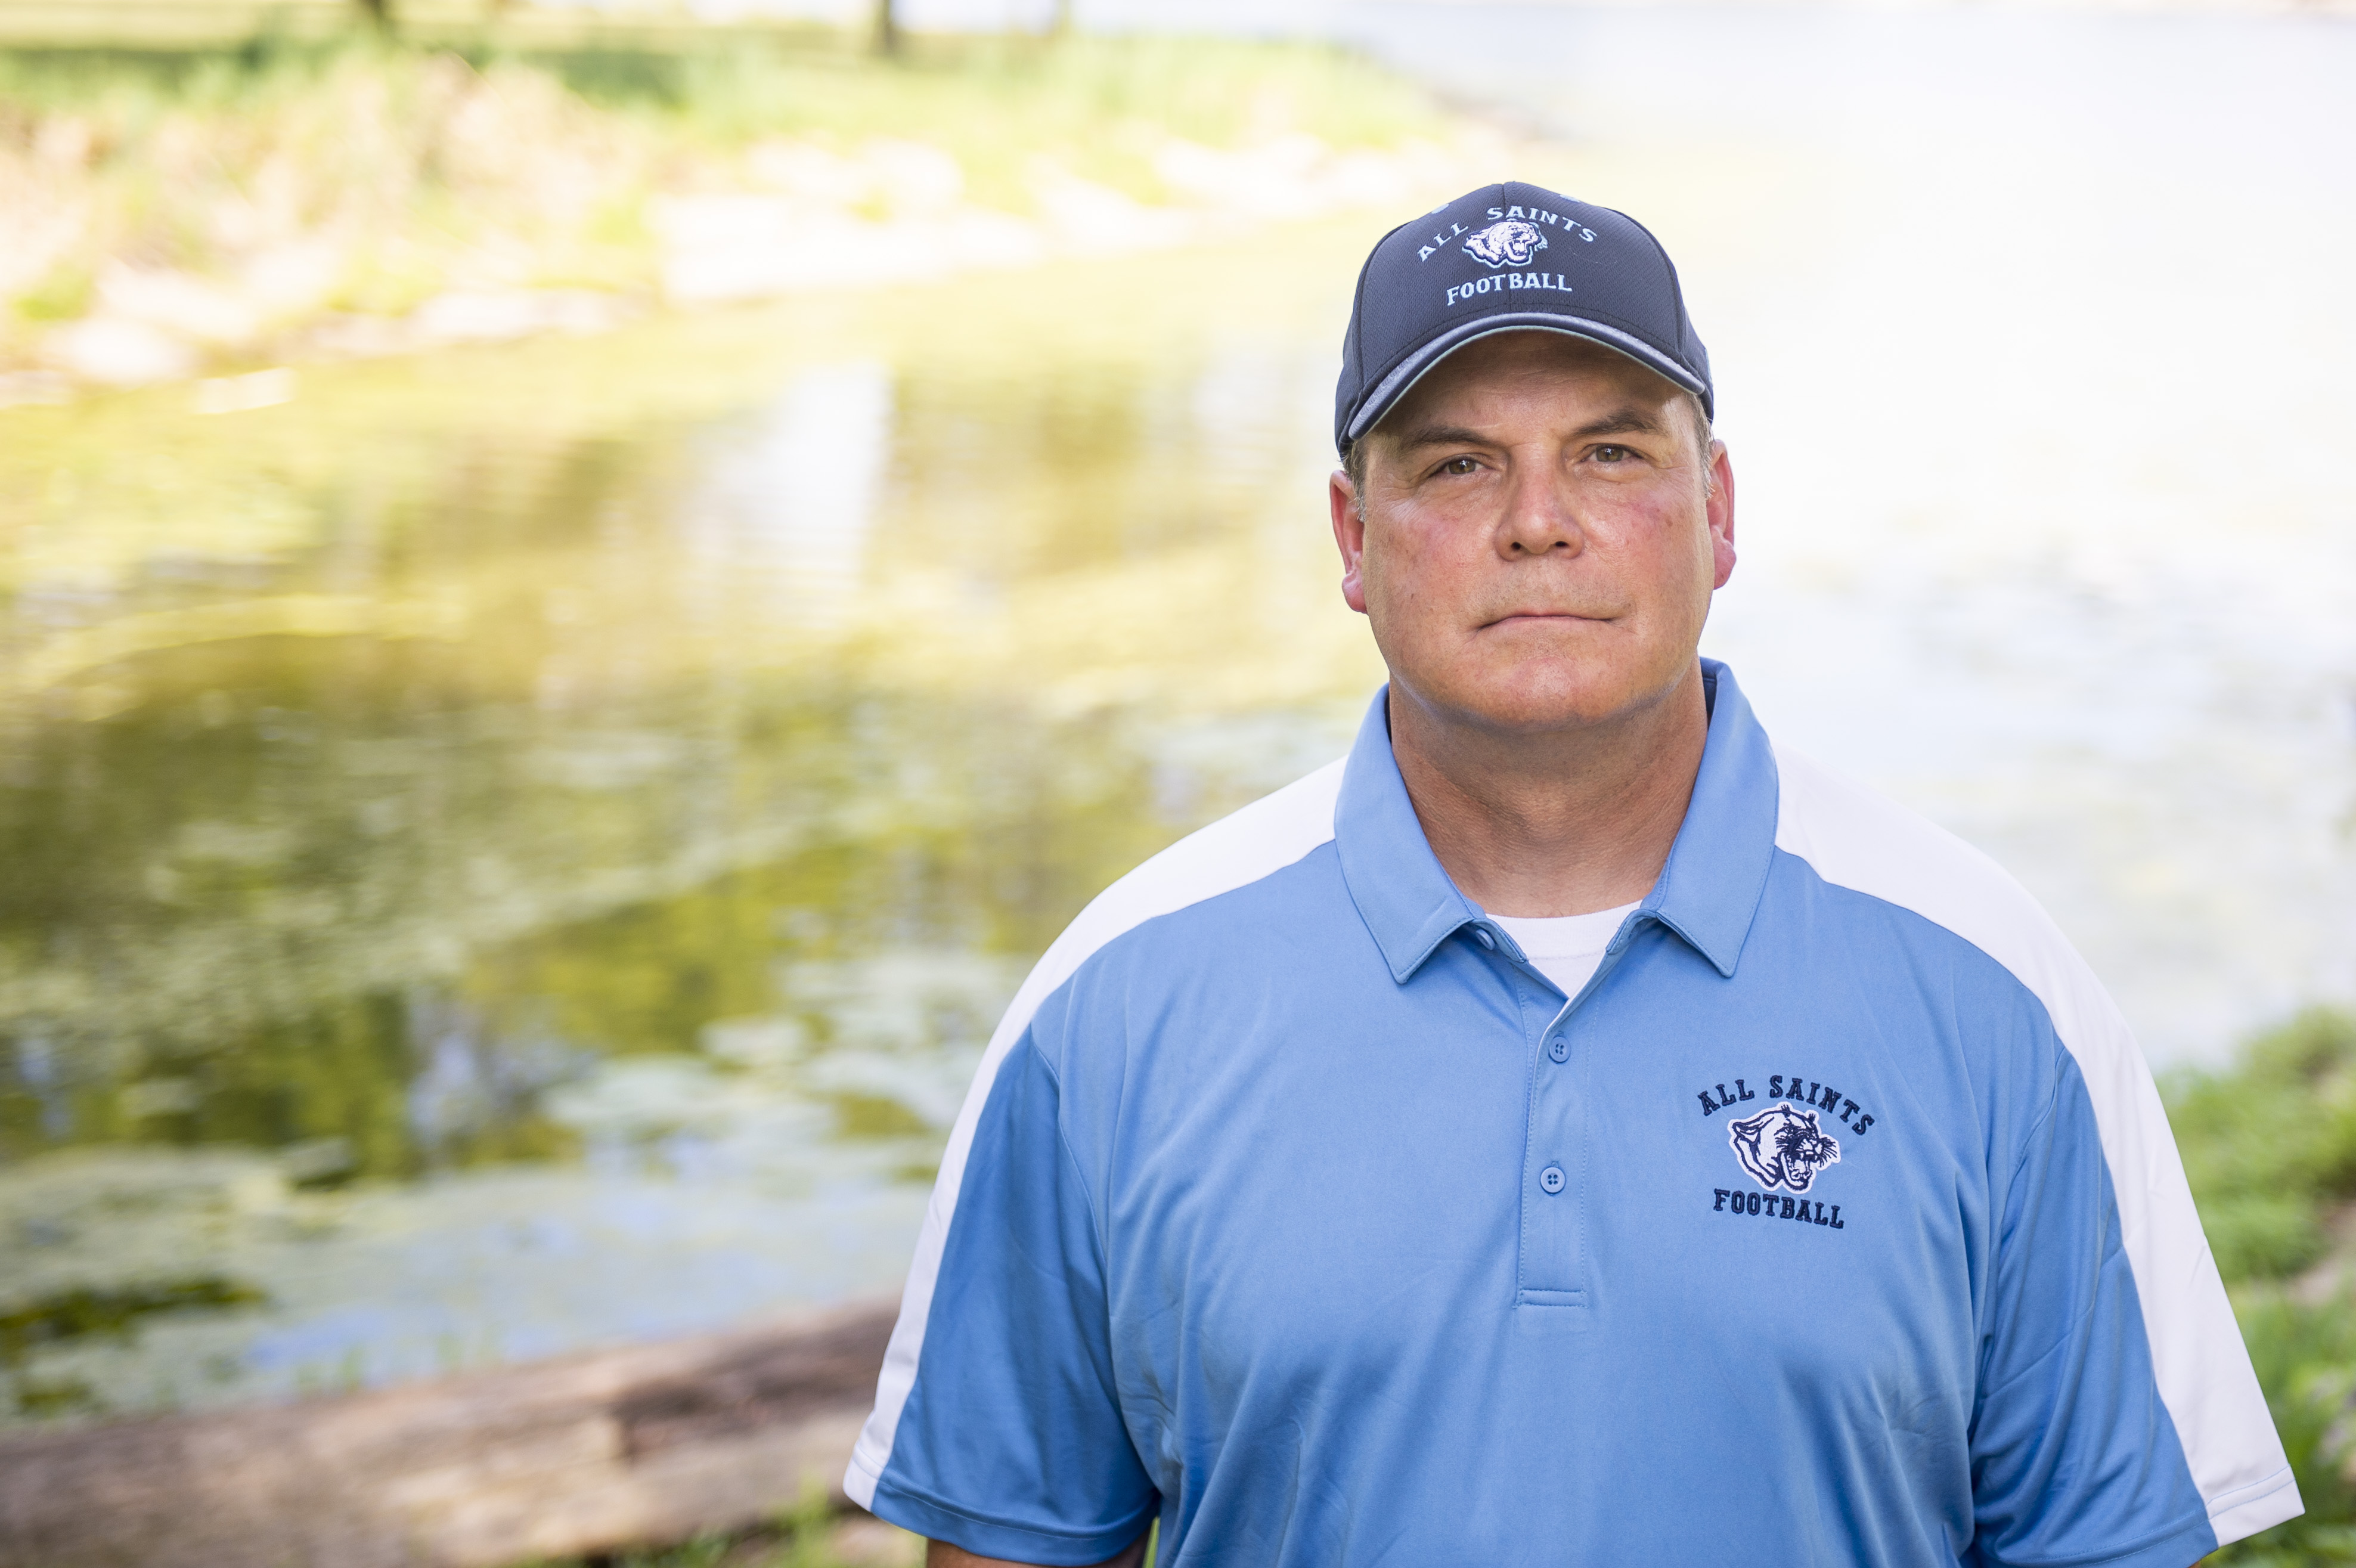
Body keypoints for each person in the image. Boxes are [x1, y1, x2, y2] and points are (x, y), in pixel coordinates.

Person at [841, 182, 2301, 1567]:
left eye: (1608, 452)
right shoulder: (1114, 1005)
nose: (1535, 519)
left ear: (1716, 510)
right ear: (1353, 536)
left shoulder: (1993, 988)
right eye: (1456, 463)